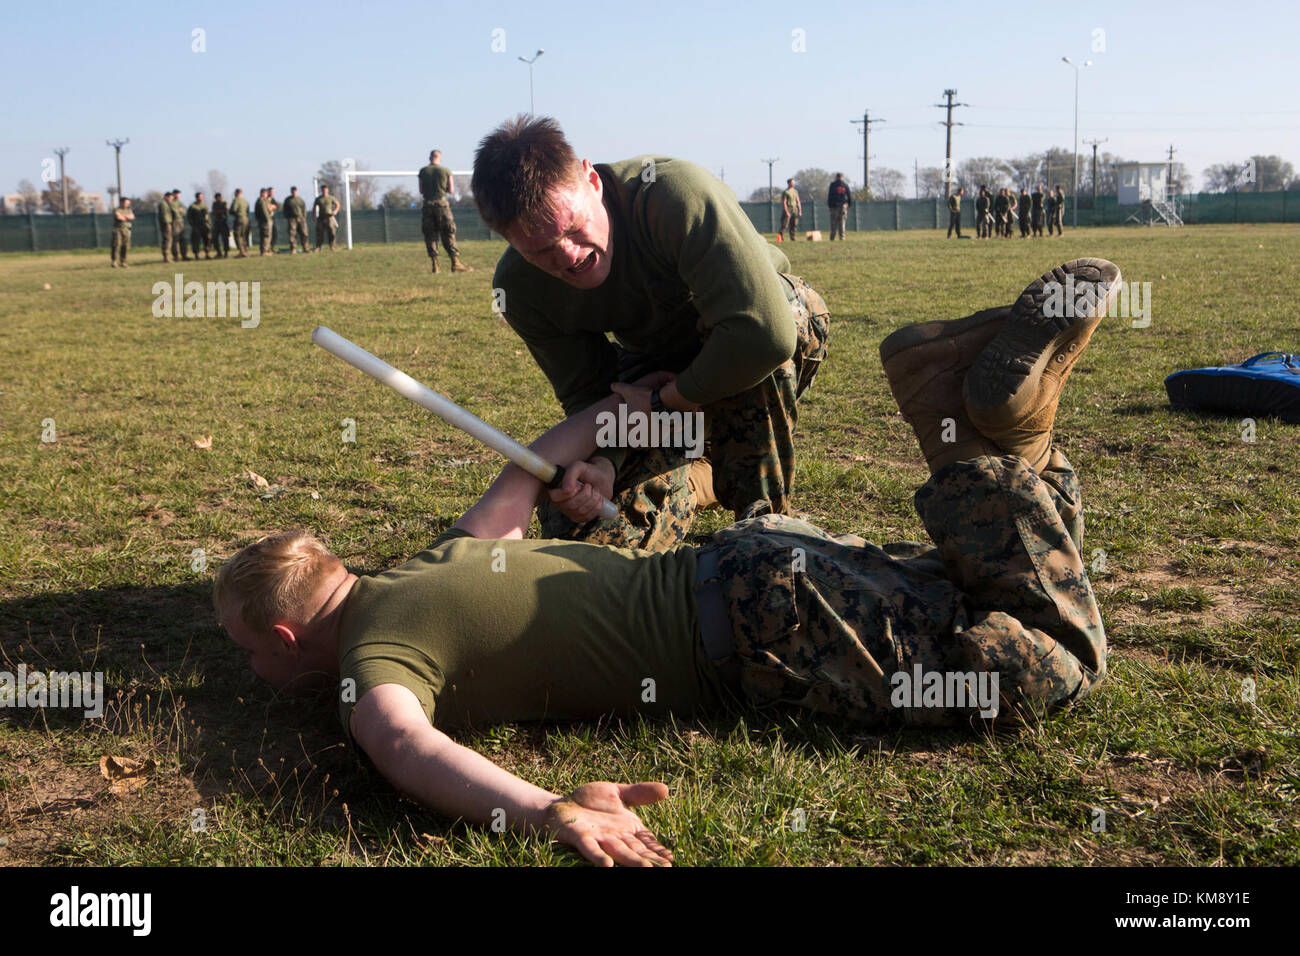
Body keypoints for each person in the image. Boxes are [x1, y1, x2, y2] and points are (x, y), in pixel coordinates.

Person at [214, 258, 1118, 867]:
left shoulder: (375, 666)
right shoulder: (445, 553)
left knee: (1047, 662)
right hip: (755, 556)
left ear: (290, 634)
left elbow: (407, 746)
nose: (253, 671)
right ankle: (1002, 436)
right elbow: (543, 448)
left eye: (250, 653)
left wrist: (548, 811)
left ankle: (975, 434)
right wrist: (628, 418)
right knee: (988, 584)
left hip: (770, 630)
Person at [470, 115, 831, 552]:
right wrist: (605, 463)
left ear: (592, 179)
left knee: (774, 323)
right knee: (584, 531)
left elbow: (764, 333)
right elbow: (590, 394)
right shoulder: (520, 289)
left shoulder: (672, 195)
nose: (569, 255)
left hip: (751, 346)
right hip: (654, 378)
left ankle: (764, 529)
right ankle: (702, 473)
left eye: (572, 227)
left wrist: (668, 400)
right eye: (540, 250)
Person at [418, 149, 472, 273]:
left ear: (430, 157)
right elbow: (451, 190)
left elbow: (421, 191)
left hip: (427, 205)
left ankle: (435, 265)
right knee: (448, 232)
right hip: (442, 204)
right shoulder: (446, 171)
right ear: (440, 158)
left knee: (430, 234)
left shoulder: (423, 171)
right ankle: (455, 263)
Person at [283, 186, 310, 254]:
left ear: (296, 191)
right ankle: (293, 248)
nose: (294, 192)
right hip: (292, 219)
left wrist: (304, 216)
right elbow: (285, 209)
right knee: (292, 234)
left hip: (301, 218)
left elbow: (304, 208)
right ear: (291, 192)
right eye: (292, 191)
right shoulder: (288, 200)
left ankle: (305, 248)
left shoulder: (300, 200)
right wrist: (287, 216)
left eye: (295, 191)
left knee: (304, 233)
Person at [313, 185, 340, 251]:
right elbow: (314, 208)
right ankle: (318, 246)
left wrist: (335, 211)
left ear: (327, 190)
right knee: (319, 232)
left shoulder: (331, 198)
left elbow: (337, 204)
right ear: (321, 190)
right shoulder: (318, 199)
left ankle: (332, 246)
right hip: (321, 217)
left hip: (329, 217)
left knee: (331, 232)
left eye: (325, 190)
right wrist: (314, 216)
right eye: (323, 190)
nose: (324, 191)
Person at [826, 172, 852, 241]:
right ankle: (842, 237)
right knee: (842, 223)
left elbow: (830, 196)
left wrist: (829, 205)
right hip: (843, 206)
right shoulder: (845, 185)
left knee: (833, 223)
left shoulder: (832, 185)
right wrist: (849, 204)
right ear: (842, 177)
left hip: (834, 206)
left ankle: (832, 238)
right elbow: (849, 196)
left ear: (836, 177)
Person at [188, 191, 212, 260]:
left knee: (207, 239)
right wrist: (192, 225)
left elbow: (208, 216)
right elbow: (189, 217)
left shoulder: (204, 206)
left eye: (202, 197)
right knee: (196, 240)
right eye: (199, 197)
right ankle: (196, 255)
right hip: (196, 226)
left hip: (204, 226)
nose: (201, 198)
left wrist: (208, 224)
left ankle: (207, 253)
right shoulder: (192, 206)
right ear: (196, 197)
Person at [110, 197, 133, 268]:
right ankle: (114, 261)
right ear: (122, 202)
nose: (127, 204)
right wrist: (126, 217)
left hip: (127, 230)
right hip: (118, 229)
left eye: (128, 203)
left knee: (126, 246)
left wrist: (124, 216)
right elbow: (119, 217)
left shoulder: (129, 210)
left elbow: (132, 217)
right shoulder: (117, 209)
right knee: (116, 245)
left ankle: (123, 261)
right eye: (126, 202)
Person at [168, 189, 190, 261]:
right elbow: (174, 212)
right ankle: (176, 256)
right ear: (173, 194)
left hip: (181, 222)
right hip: (175, 222)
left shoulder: (179, 202)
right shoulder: (171, 202)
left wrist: (179, 210)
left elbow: (184, 211)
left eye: (179, 194)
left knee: (183, 239)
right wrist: (178, 210)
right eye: (177, 194)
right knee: (175, 239)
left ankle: (184, 255)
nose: (178, 195)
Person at [230, 188, 251, 257]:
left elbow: (233, 210)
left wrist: (232, 212)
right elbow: (248, 210)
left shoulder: (236, 200)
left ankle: (241, 251)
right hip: (246, 219)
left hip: (239, 219)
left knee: (238, 235)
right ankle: (245, 250)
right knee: (244, 235)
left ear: (236, 193)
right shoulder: (245, 201)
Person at [156, 191, 174, 263]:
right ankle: (166, 257)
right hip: (166, 224)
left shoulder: (167, 204)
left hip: (168, 223)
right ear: (167, 196)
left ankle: (167, 256)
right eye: (170, 197)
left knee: (168, 240)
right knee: (167, 240)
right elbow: (164, 215)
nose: (171, 199)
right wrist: (167, 223)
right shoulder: (163, 204)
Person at [255, 188, 274, 255]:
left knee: (267, 236)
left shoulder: (265, 201)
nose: (266, 195)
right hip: (265, 221)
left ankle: (267, 250)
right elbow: (264, 211)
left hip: (265, 220)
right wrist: (267, 219)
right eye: (265, 193)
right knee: (266, 235)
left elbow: (269, 208)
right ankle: (264, 251)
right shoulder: (261, 201)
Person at [211, 192, 230, 258]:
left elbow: (226, 211)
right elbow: (214, 212)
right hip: (217, 223)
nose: (219, 199)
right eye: (217, 198)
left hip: (223, 223)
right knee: (214, 238)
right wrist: (220, 212)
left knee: (225, 239)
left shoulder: (224, 203)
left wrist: (219, 212)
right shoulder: (214, 204)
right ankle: (219, 252)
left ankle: (226, 252)